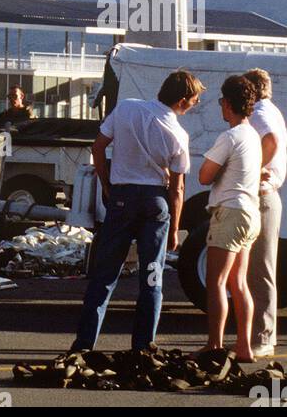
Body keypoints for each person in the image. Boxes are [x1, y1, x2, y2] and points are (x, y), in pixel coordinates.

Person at [70, 68, 203, 353]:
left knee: (105, 275)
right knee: (152, 276)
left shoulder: (127, 107)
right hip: (155, 203)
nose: (195, 105)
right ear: (182, 100)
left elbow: (98, 147)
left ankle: (84, 344)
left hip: (121, 198)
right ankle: (143, 345)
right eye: (194, 100)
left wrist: (107, 186)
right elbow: (177, 189)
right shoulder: (178, 135)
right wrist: (175, 229)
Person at [199, 75, 262, 361]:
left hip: (230, 212)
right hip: (251, 212)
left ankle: (214, 345)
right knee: (239, 282)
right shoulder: (252, 136)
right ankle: (244, 347)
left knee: (216, 282)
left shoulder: (230, 136)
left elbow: (203, 176)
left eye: (222, 102)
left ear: (227, 104)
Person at [244, 68, 286, 357]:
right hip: (271, 195)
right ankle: (261, 334)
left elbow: (269, 141)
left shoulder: (258, 114)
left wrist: (255, 168)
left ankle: (262, 336)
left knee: (259, 270)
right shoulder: (272, 111)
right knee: (262, 269)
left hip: (261, 196)